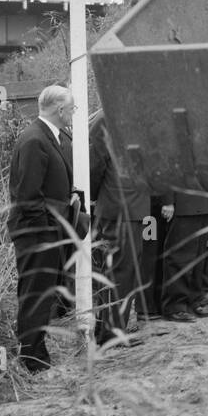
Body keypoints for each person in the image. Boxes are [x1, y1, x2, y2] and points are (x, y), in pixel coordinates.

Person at [7, 85, 77, 372]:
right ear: (59, 110)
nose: (73, 113)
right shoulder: (34, 140)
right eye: (72, 108)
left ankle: (36, 351)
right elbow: (28, 196)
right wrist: (47, 234)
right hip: (37, 235)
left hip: (46, 231)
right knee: (35, 294)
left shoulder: (49, 137)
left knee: (42, 293)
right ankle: (32, 358)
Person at [88, 111, 150, 347]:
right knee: (118, 273)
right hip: (117, 207)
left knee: (127, 272)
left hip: (133, 207)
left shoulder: (132, 113)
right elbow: (95, 163)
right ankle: (111, 334)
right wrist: (94, 197)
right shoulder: (107, 117)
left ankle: (114, 330)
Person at [160, 189, 208, 323]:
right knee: (179, 257)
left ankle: (195, 301)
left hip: (203, 202)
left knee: (199, 257)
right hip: (182, 203)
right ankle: (175, 306)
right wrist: (168, 202)